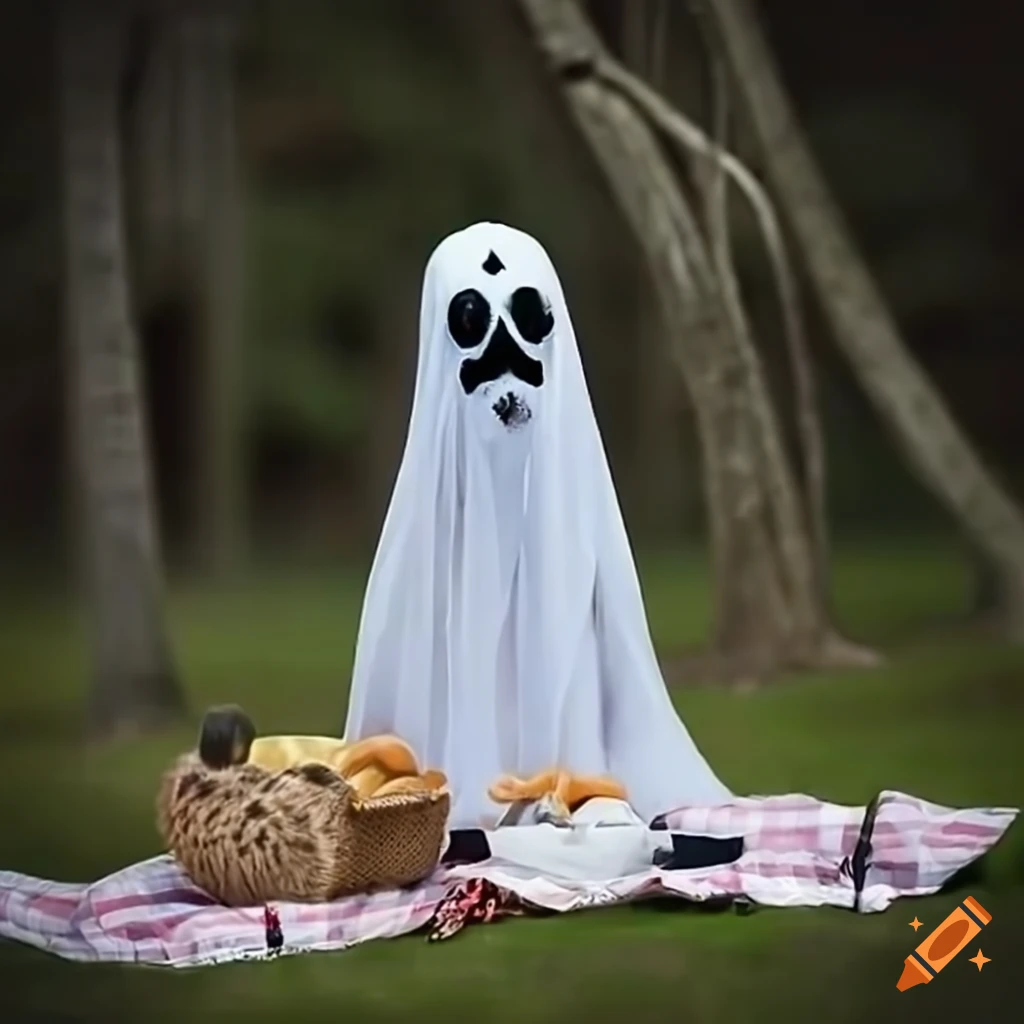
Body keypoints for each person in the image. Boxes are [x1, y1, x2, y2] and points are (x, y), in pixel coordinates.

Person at [344, 222, 730, 829]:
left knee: (561, 585)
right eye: (473, 322)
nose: (506, 352)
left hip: (552, 530)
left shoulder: (573, 487)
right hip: (465, 513)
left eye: (527, 317)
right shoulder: (427, 524)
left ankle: (567, 774)